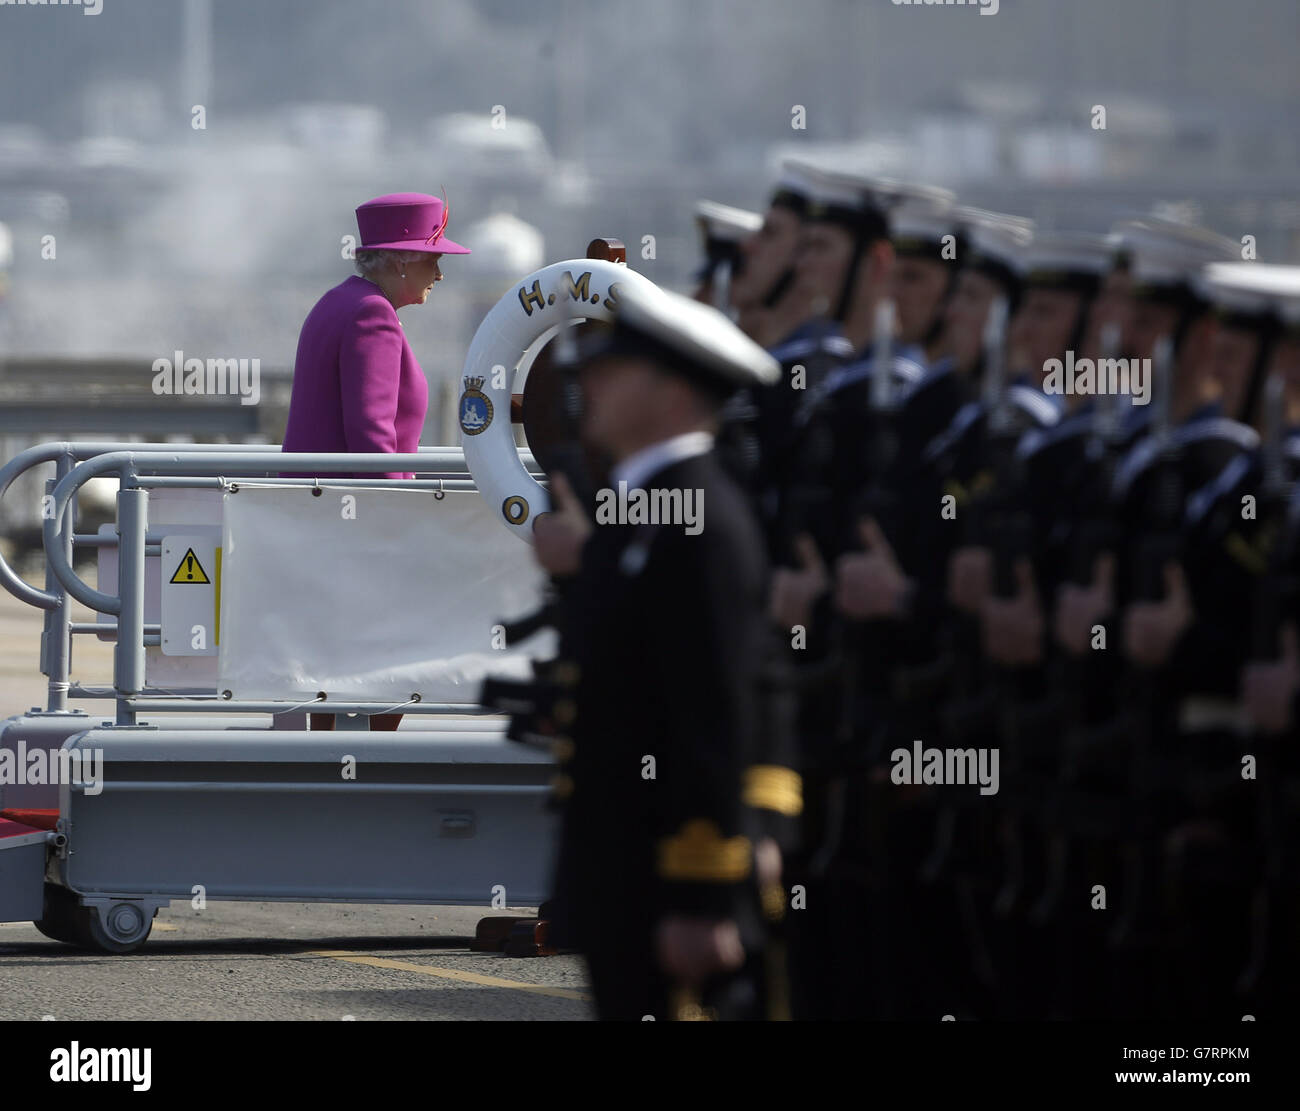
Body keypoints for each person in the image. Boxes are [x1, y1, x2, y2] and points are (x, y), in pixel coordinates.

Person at [530, 281, 799, 1020]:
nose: (589, 383)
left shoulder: (702, 519)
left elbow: (718, 706)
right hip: (622, 863)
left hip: (669, 875)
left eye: (614, 369)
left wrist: (705, 892)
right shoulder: (643, 507)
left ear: (675, 393)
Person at [281, 191, 469, 730]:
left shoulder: (339, 301)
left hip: (325, 520)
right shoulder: (372, 315)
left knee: (333, 672)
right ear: (404, 259)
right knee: (386, 666)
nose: (440, 273)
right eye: (434, 258)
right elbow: (371, 439)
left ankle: (331, 773)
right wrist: (403, 524)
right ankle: (369, 775)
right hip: (359, 528)